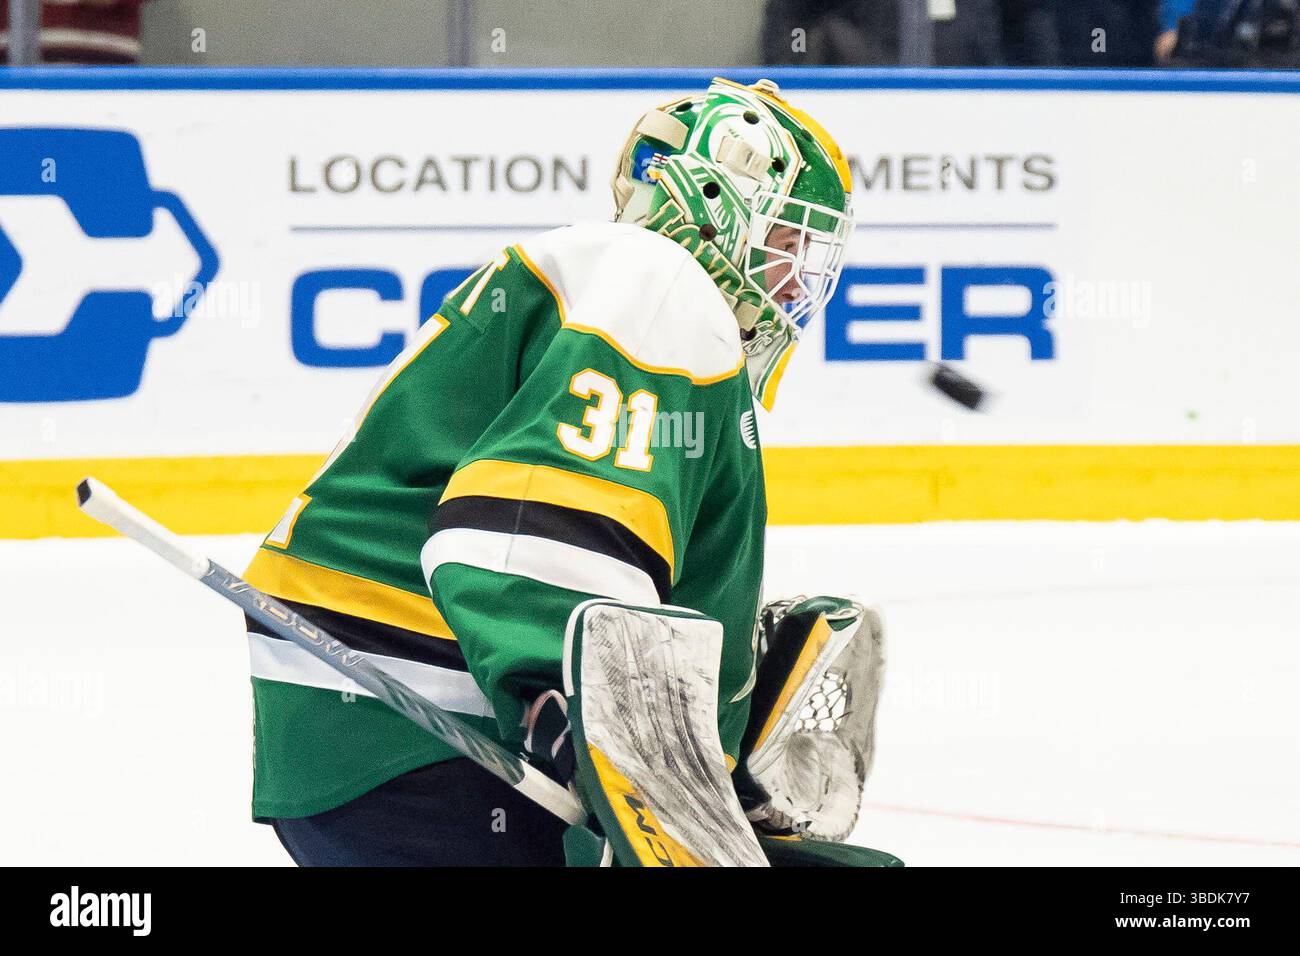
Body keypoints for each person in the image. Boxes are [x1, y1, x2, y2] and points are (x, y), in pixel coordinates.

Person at [243, 78, 889, 866]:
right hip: (441, 737)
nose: (796, 280)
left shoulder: (646, 310)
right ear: (718, 201)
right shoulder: (662, 285)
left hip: (388, 738)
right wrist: (562, 698)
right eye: (790, 241)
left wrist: (725, 721)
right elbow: (525, 522)